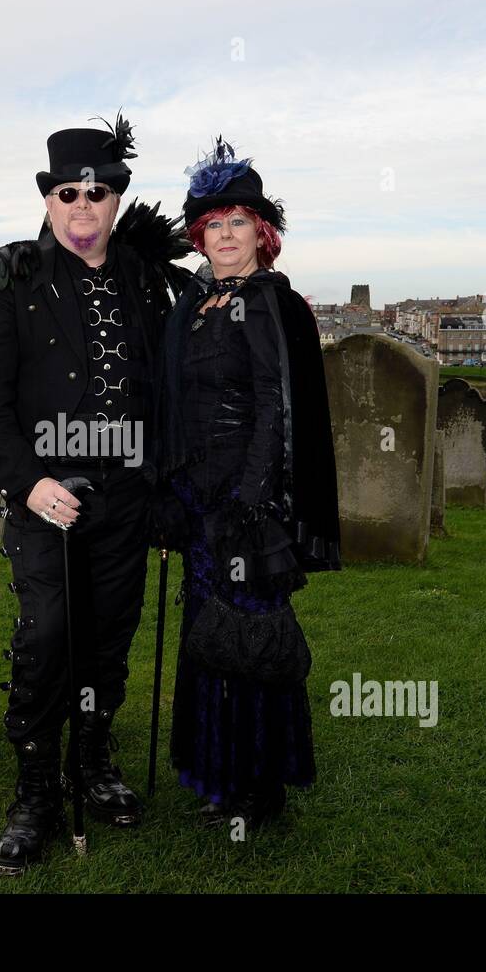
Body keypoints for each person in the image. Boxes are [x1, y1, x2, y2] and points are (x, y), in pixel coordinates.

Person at [0, 114, 190, 875]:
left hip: (126, 496)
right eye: (68, 193)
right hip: (46, 497)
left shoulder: (144, 280)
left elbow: (165, 394)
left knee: (106, 642)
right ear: (50, 200)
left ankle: (92, 762)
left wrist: (160, 487)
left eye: (98, 192)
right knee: (49, 637)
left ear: (116, 199)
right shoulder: (11, 277)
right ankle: (35, 792)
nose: (82, 205)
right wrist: (30, 485)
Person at [154, 137, 343, 830]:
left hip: (247, 504)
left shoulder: (270, 304)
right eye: (212, 224)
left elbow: (277, 406)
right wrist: (171, 492)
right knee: (211, 637)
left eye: (238, 222)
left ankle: (259, 791)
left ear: (261, 234)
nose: (224, 235)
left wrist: (252, 499)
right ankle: (218, 777)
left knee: (252, 640)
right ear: (198, 235)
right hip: (201, 501)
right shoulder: (195, 303)